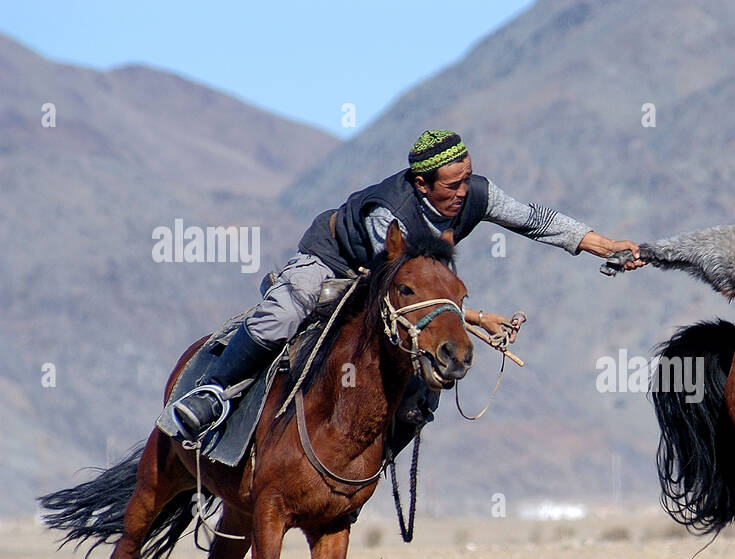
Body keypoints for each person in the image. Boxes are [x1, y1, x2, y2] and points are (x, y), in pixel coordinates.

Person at [168, 129, 643, 441]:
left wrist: (603, 246)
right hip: (339, 263)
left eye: (467, 179)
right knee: (284, 317)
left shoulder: (476, 193)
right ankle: (211, 392)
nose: (463, 192)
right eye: (452, 185)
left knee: (420, 381)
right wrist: (473, 319)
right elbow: (399, 287)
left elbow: (536, 220)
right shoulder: (388, 214)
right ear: (421, 183)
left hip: (403, 285)